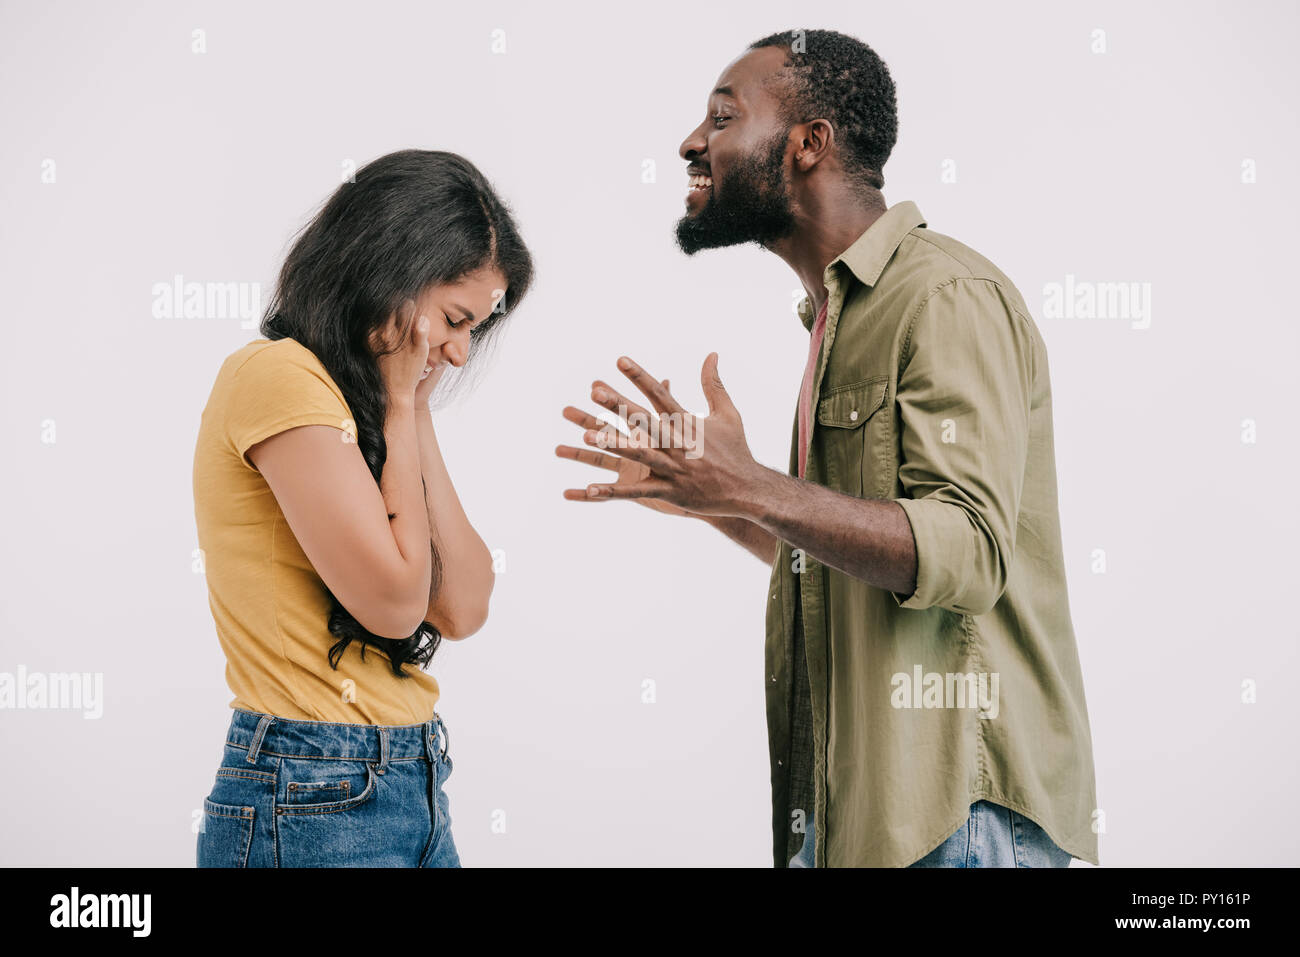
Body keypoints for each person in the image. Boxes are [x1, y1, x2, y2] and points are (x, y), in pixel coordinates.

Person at [557, 29, 1099, 868]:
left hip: (958, 816)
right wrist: (717, 496)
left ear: (810, 143)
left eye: (723, 117)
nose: (692, 142)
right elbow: (844, 563)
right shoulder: (838, 318)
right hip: (858, 815)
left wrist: (752, 483)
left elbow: (967, 551)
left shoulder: (944, 295)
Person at [192, 149, 532, 867]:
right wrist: (402, 407)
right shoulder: (278, 375)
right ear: (393, 272)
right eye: (455, 319)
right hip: (307, 786)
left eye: (476, 330)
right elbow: (396, 606)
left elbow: (463, 605)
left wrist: (411, 408)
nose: (461, 352)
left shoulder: (375, 406)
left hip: (412, 780)